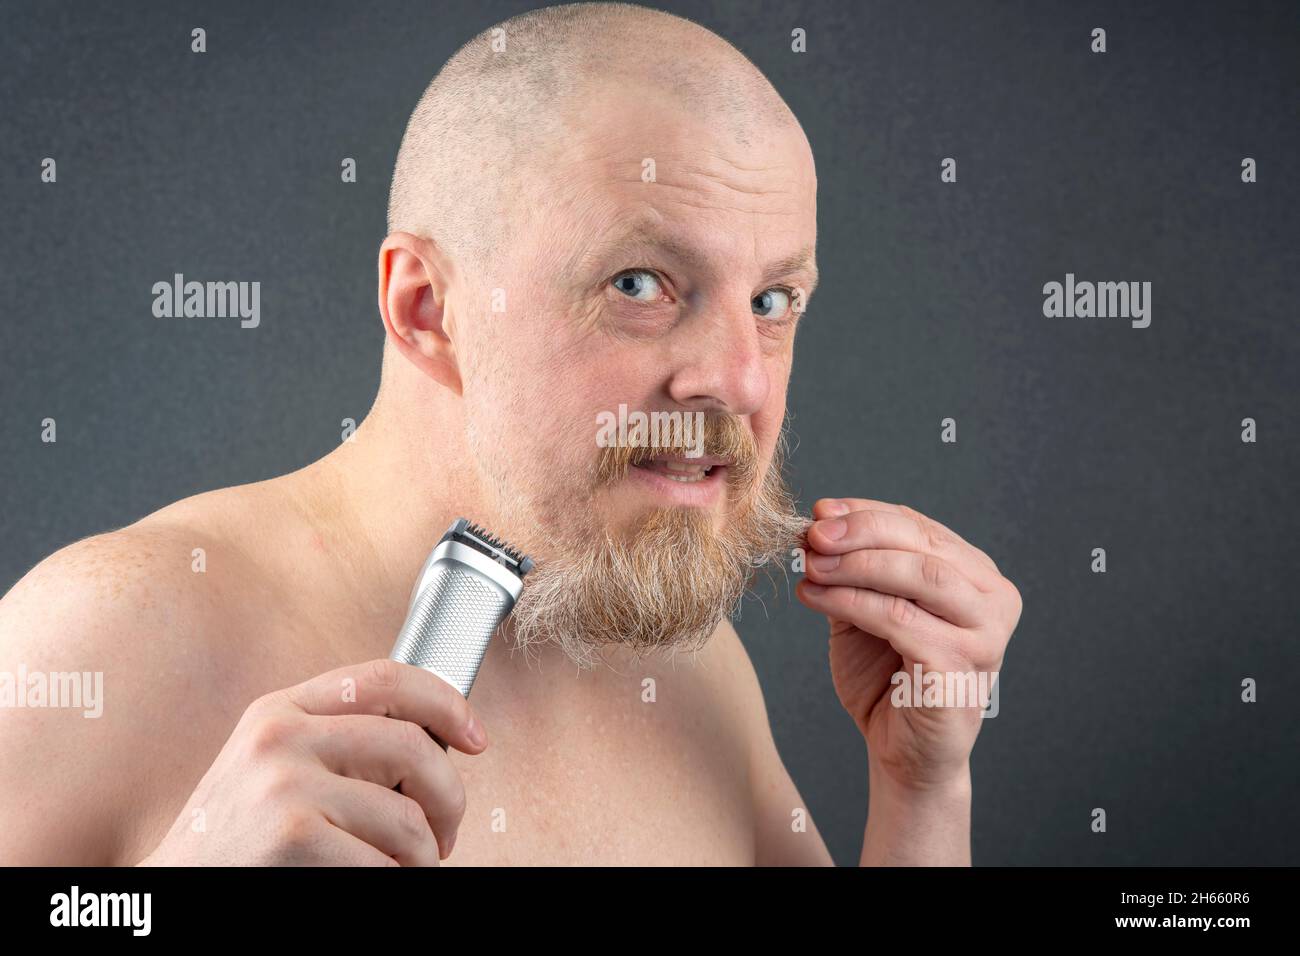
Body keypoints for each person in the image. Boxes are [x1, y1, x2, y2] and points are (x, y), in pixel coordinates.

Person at [0, 2, 1021, 866]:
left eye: (772, 297)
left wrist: (921, 791)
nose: (738, 381)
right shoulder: (113, 637)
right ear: (428, 306)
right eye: (639, 284)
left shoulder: (689, 670)